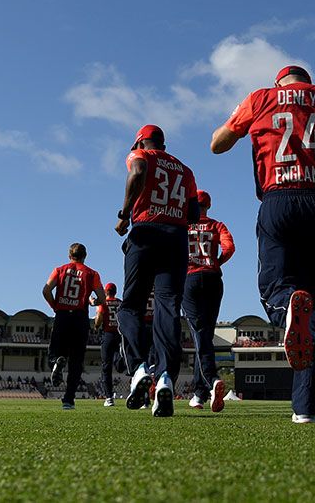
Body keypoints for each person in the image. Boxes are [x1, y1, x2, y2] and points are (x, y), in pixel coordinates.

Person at [211, 64, 315, 424]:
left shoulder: (261, 98)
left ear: (279, 82)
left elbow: (217, 144)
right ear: (309, 82)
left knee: (274, 288)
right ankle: (305, 408)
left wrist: (243, 124)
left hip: (278, 199)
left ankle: (286, 313)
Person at [115, 123, 200, 418]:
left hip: (146, 230)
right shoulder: (185, 170)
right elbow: (194, 214)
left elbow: (137, 172)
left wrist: (124, 214)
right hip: (176, 238)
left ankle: (139, 368)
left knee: (130, 306)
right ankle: (164, 376)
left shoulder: (141, 155)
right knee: (168, 307)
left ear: (141, 141)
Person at [183, 189, 235, 412]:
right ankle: (199, 394)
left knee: (199, 334)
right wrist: (216, 263)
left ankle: (212, 381)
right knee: (204, 335)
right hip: (213, 278)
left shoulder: (182, 225)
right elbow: (230, 247)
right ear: (209, 206)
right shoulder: (217, 225)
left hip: (190, 278)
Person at [42, 242, 105, 409]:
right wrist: (92, 300)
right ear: (85, 256)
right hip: (80, 317)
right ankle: (69, 399)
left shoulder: (60, 270)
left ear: (70, 256)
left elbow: (46, 290)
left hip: (62, 315)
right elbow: (102, 298)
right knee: (76, 360)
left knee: (54, 351)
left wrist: (55, 305)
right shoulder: (91, 274)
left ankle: (56, 361)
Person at [93, 282, 124, 406]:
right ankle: (120, 361)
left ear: (106, 292)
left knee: (106, 367)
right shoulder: (121, 303)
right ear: (115, 292)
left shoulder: (103, 303)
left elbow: (99, 318)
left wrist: (96, 325)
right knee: (118, 358)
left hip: (108, 334)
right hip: (119, 335)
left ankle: (109, 397)